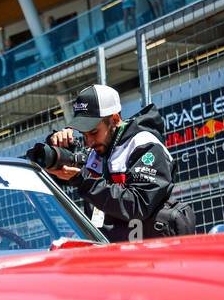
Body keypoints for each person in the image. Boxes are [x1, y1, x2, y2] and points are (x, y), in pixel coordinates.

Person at [44, 83, 192, 240]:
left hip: (151, 253)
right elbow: (53, 178)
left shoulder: (144, 144)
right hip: (111, 254)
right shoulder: (95, 151)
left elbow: (138, 205)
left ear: (114, 119)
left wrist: (83, 181)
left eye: (93, 132)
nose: (89, 142)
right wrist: (55, 147)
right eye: (84, 134)